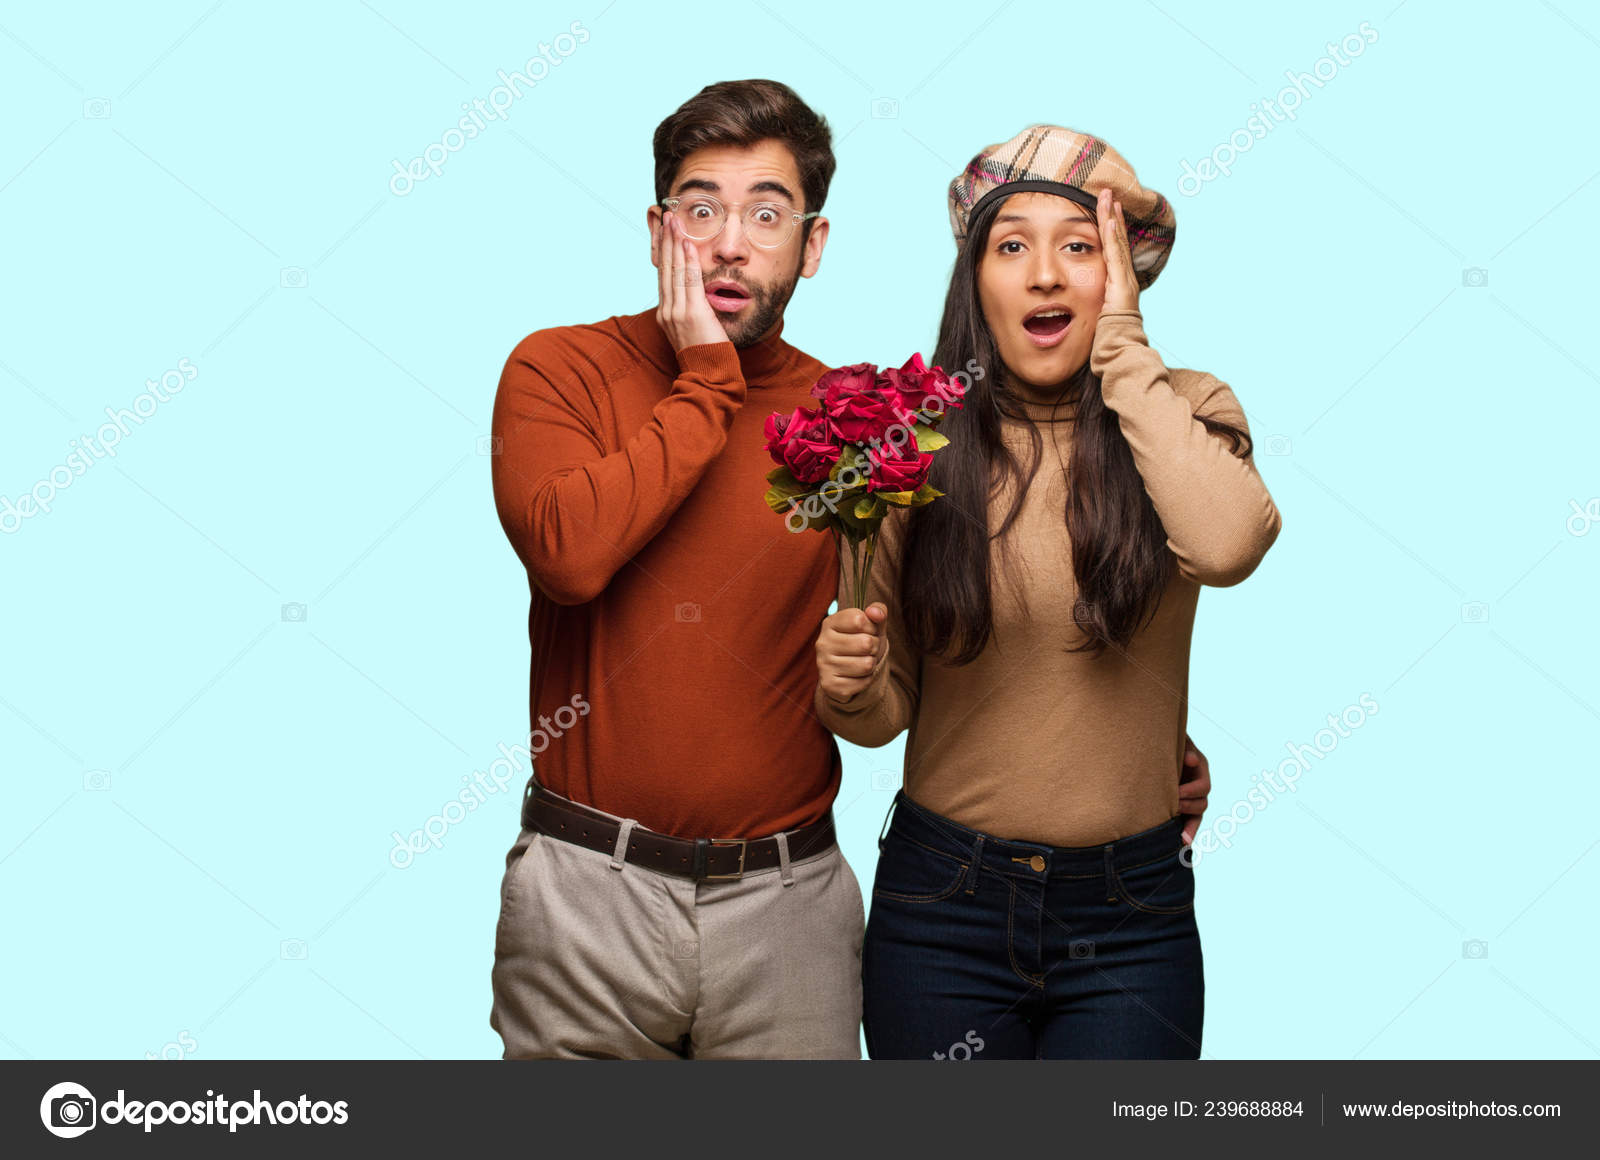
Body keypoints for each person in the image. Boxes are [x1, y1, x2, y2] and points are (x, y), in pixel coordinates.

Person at [813, 125, 1282, 1060]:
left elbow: (1227, 546)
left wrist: (1126, 351)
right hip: (943, 907)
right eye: (1012, 245)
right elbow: (881, 718)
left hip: (1131, 917)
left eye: (1079, 247)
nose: (1044, 276)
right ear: (974, 278)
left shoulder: (1187, 408)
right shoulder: (911, 439)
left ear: (1122, 274)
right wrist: (846, 685)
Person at [487, 79, 865, 1059]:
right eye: (700, 209)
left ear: (810, 246)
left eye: (766, 213)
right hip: (586, 893)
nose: (729, 242)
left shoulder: (850, 417)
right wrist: (706, 375)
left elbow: (894, 663)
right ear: (659, 229)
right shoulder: (558, 368)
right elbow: (570, 557)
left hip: (789, 903)